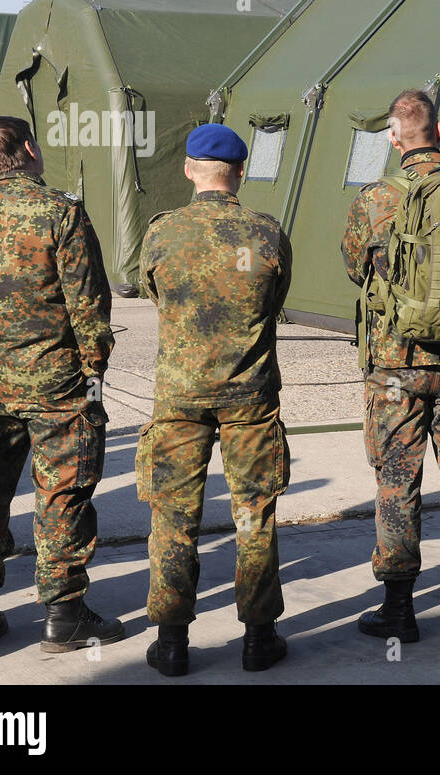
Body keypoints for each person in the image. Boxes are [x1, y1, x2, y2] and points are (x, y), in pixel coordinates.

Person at [0, 116, 124, 652]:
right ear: (28, 149)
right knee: (61, 496)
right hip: (57, 386)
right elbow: (89, 304)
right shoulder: (61, 212)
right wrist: (94, 368)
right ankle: (64, 614)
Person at [135, 123, 293, 675]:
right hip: (249, 396)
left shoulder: (162, 234)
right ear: (241, 171)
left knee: (174, 517)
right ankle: (258, 637)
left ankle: (173, 641)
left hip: (179, 396)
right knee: (254, 514)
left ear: (187, 168)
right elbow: (275, 301)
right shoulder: (265, 234)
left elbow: (152, 293)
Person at [341, 89, 440, 642]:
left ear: (393, 136)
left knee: (397, 481)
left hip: (395, 366)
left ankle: (399, 608)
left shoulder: (376, 197)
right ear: (438, 129)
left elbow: (354, 265)